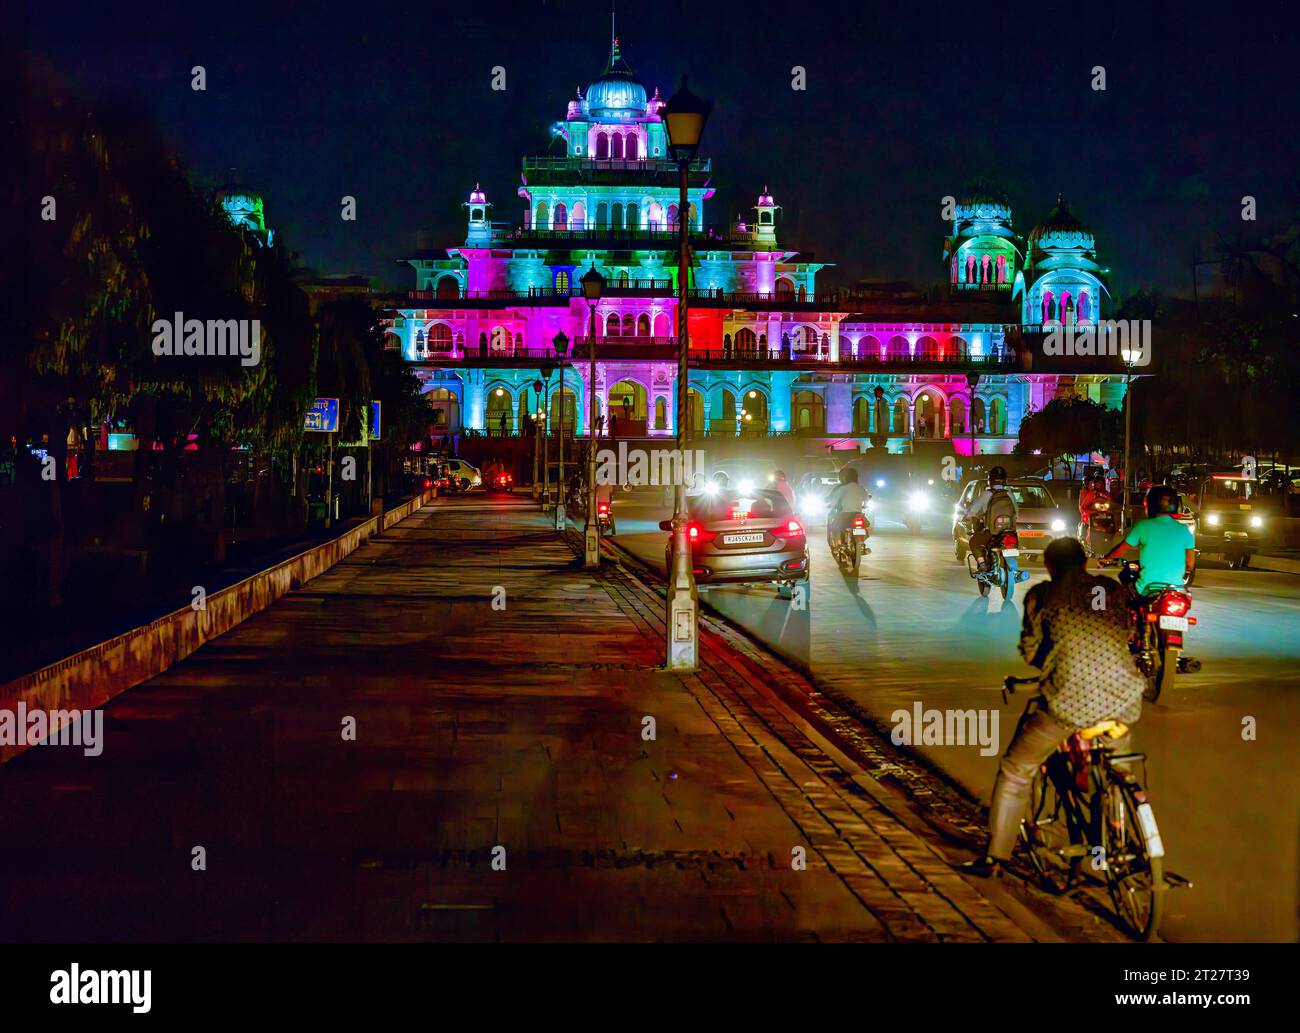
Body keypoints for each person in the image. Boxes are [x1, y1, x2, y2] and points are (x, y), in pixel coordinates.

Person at [962, 538, 1145, 877]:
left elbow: (1033, 651)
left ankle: (996, 858)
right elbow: (1125, 632)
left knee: (1017, 770)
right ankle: (1119, 837)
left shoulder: (1043, 596)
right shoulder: (1110, 589)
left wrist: (1052, 661)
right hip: (1124, 697)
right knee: (1120, 769)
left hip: (1069, 701)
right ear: (1084, 564)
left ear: (1049, 566)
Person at [1098, 484, 1195, 596]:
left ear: (1150, 505)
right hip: (1176, 590)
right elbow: (1190, 564)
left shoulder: (1143, 526)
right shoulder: (1184, 530)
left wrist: (1105, 559)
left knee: (1125, 598)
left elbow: (1120, 550)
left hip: (1145, 588)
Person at [966, 465, 1018, 571]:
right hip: (1010, 532)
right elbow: (1016, 511)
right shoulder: (1009, 493)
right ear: (1005, 480)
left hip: (992, 532)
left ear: (990, 480)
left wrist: (967, 516)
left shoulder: (987, 494)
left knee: (973, 542)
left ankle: (982, 564)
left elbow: (973, 510)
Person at [825, 465, 869, 548]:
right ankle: (862, 543)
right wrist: (865, 505)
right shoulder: (861, 488)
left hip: (845, 514)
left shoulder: (842, 488)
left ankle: (839, 544)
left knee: (834, 526)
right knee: (866, 525)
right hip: (858, 514)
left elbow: (834, 500)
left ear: (846, 477)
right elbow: (866, 498)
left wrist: (832, 506)